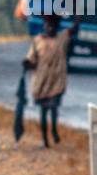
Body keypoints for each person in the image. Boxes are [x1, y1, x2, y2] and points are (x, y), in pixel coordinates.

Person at [22, 13, 73, 148]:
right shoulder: (37, 40)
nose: (50, 28)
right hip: (41, 82)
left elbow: (75, 27)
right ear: (44, 26)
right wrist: (27, 64)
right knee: (43, 112)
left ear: (57, 27)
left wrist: (78, 12)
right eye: (48, 25)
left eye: (53, 25)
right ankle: (45, 139)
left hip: (57, 81)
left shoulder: (62, 38)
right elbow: (32, 60)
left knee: (54, 108)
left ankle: (54, 131)